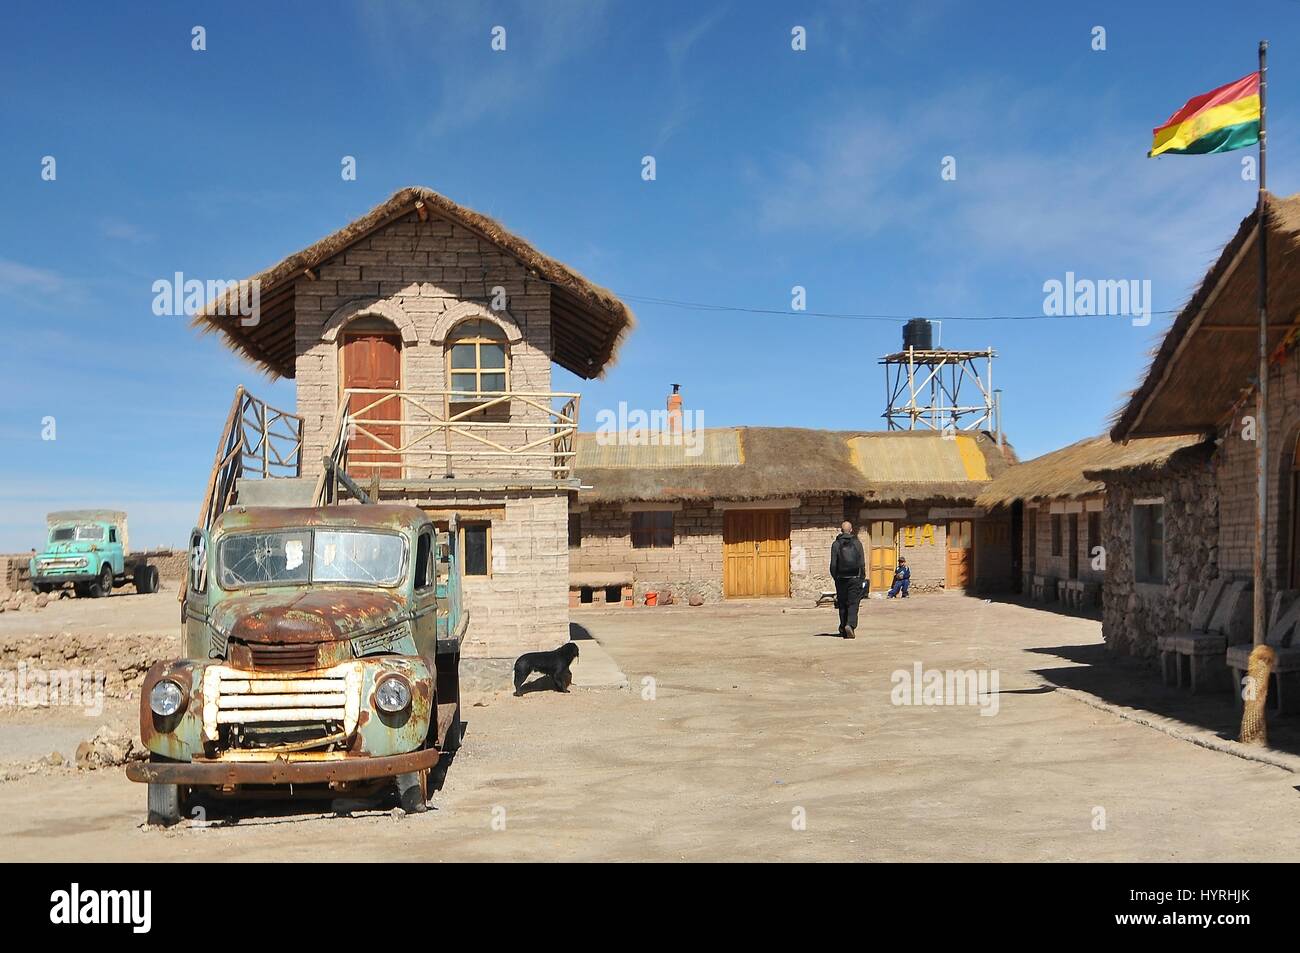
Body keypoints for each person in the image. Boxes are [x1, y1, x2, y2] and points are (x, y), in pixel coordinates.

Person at [829, 521, 867, 638]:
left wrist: (835, 577)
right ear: (851, 530)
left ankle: (843, 627)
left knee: (842, 604)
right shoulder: (857, 543)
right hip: (855, 578)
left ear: (841, 530)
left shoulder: (836, 544)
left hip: (841, 578)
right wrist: (862, 577)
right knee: (853, 603)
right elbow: (861, 563)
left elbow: (833, 565)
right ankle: (850, 625)